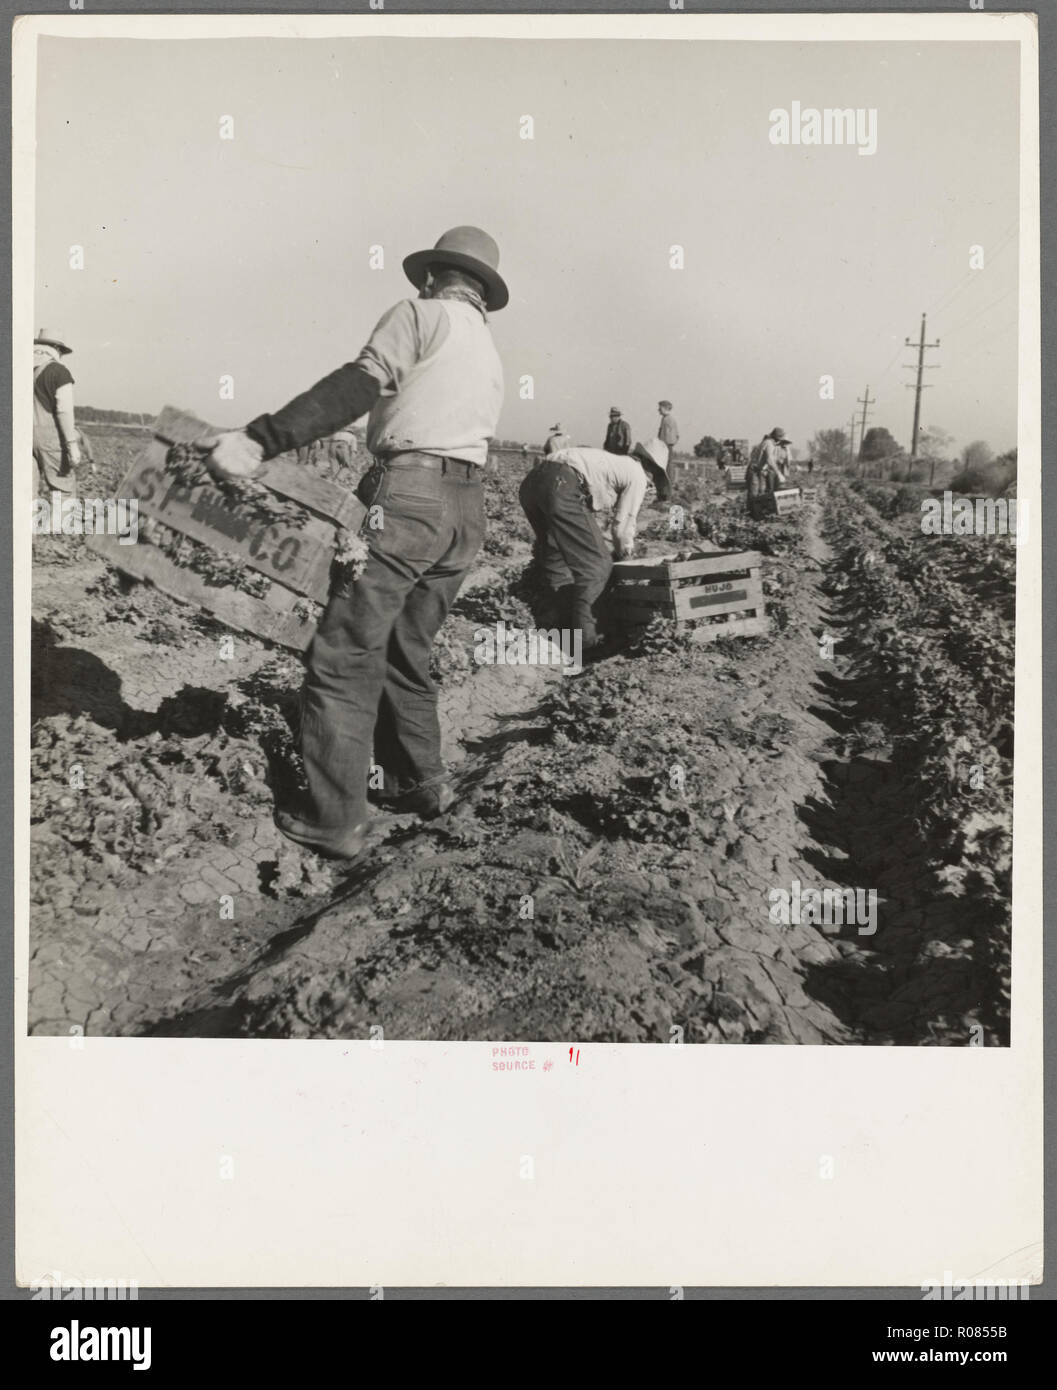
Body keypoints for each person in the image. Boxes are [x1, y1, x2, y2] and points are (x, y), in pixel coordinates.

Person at [207, 225, 507, 859]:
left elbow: (358, 384)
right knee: (407, 646)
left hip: (408, 496)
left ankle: (332, 819)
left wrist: (263, 437)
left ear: (432, 276)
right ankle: (418, 783)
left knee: (345, 651)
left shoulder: (419, 315)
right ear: (483, 289)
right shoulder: (486, 347)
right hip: (465, 509)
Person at [518, 440, 670, 649]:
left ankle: (558, 631)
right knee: (596, 566)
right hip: (561, 484)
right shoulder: (637, 475)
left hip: (533, 483)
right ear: (653, 470)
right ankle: (588, 644)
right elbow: (622, 526)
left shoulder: (615, 463)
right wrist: (626, 556)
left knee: (557, 558)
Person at [33, 328, 81, 496]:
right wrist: (72, 445)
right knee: (64, 493)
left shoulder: (16, 366)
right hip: (49, 439)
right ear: (58, 349)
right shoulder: (58, 371)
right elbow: (64, 411)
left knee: (23, 494)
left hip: (18, 436)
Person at [747, 426, 790, 518]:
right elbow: (770, 460)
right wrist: (779, 474)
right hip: (754, 470)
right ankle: (751, 515)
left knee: (761, 492)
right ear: (776, 438)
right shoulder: (769, 443)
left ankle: (758, 513)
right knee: (754, 494)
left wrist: (764, 469)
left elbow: (765, 459)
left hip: (759, 470)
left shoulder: (770, 443)